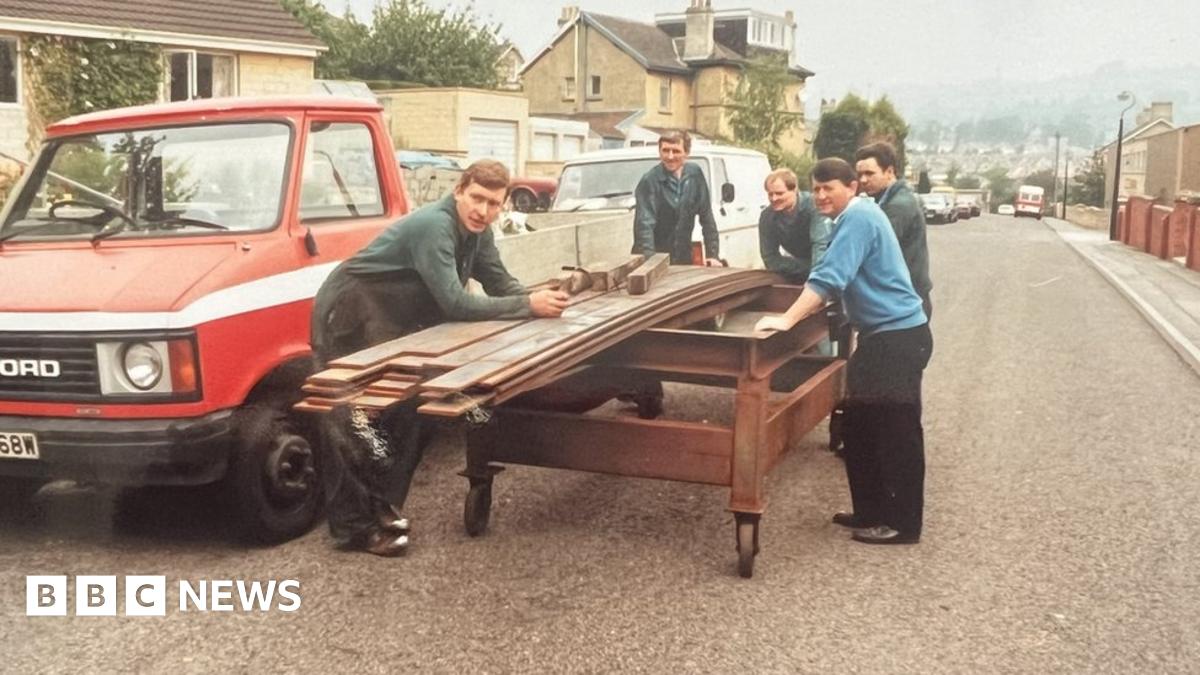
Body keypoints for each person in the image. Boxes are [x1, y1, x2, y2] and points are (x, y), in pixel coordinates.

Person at [311, 159, 569, 556]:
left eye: (494, 203)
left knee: (414, 406)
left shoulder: (479, 231)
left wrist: (540, 301)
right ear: (459, 191)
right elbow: (454, 302)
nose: (483, 211)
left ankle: (381, 506)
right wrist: (526, 306)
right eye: (477, 199)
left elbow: (499, 281)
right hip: (351, 312)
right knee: (355, 417)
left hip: (390, 318)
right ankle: (354, 529)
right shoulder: (436, 226)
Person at [755, 158, 932, 545]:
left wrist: (786, 320)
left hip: (898, 336)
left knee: (894, 432)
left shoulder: (859, 218)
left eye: (828, 187)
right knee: (859, 425)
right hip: (880, 336)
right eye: (815, 188)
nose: (820, 195)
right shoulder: (851, 217)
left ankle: (903, 524)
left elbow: (829, 277)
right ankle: (870, 510)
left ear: (851, 187)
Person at [855, 142, 933, 318]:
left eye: (869, 173)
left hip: (906, 302)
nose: (863, 180)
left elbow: (872, 252)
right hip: (901, 299)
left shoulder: (899, 206)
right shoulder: (886, 199)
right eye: (859, 174)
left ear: (889, 172)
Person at [632, 129, 722, 266]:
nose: (670, 156)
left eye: (676, 151)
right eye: (665, 150)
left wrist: (713, 255)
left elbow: (707, 218)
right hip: (655, 258)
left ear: (687, 153)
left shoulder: (695, 175)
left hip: (683, 257)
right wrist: (651, 265)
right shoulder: (650, 181)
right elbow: (644, 227)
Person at [758, 168, 832, 283]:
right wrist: (803, 268)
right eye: (770, 194)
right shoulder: (767, 217)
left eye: (779, 193)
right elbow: (770, 258)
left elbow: (821, 245)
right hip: (801, 269)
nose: (774, 198)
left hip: (829, 265)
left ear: (794, 190)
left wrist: (816, 281)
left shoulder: (815, 206)